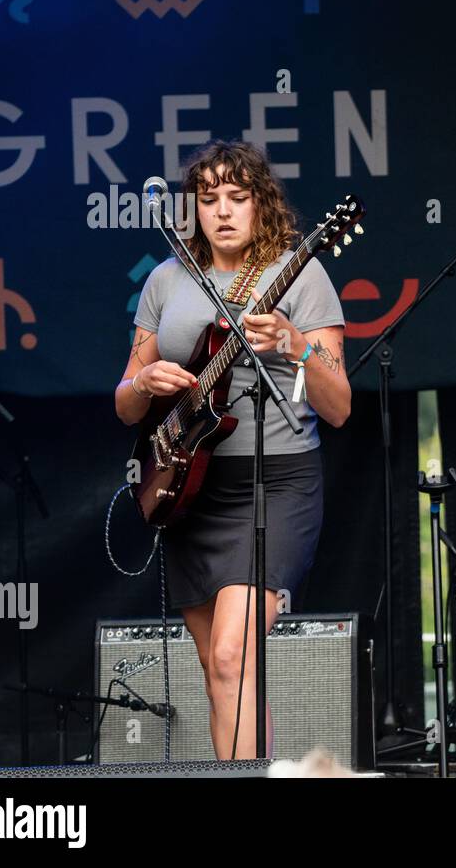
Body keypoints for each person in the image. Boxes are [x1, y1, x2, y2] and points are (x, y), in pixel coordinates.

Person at [115, 140, 351, 759]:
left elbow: (338, 405)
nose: (221, 211)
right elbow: (125, 402)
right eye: (208, 197)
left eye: (237, 198)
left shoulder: (299, 271)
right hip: (189, 484)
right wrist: (142, 382)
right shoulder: (167, 280)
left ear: (260, 204)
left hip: (275, 482)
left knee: (231, 653)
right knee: (221, 673)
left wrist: (296, 344)